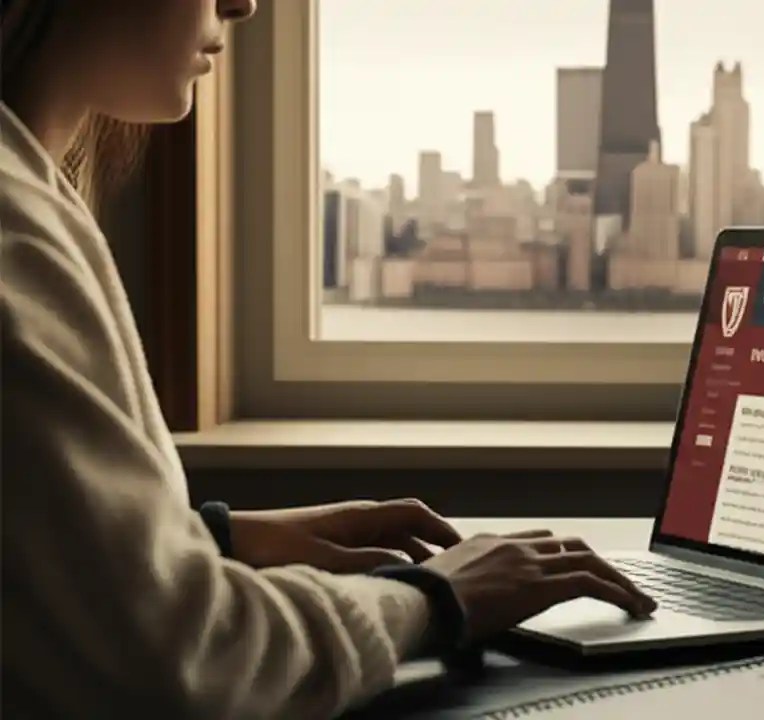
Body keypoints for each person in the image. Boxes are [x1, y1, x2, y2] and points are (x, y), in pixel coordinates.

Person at [0, 1, 657, 717]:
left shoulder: (30, 192)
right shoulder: (14, 234)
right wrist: (437, 597)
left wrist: (216, 540)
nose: (241, 5)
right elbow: (176, 659)